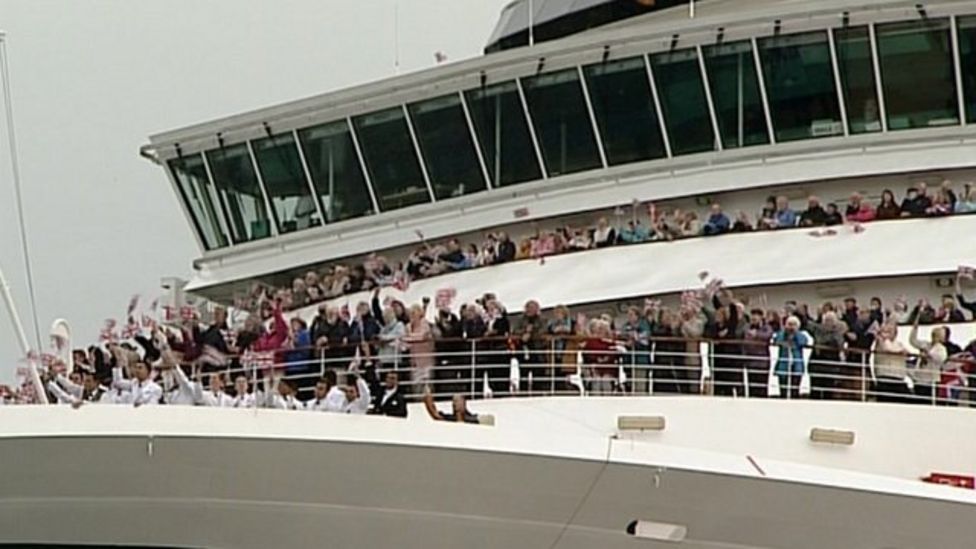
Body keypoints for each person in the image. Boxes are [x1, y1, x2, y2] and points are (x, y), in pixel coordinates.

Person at [908, 303, 948, 403]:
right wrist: (916, 325)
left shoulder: (941, 348)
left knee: (929, 403)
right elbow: (913, 340)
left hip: (931, 381)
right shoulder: (926, 344)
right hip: (920, 379)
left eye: (937, 335)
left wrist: (927, 353)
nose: (935, 337)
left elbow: (940, 357)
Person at [771, 316, 811, 398]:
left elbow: (803, 342)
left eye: (794, 325)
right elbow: (777, 340)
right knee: (783, 388)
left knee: (795, 388)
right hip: (783, 365)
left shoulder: (802, 335)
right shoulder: (781, 334)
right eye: (789, 324)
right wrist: (786, 333)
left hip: (797, 365)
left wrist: (795, 334)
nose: (791, 327)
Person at [871, 323, 912, 403]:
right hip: (885, 378)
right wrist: (900, 352)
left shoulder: (899, 344)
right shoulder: (881, 341)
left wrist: (903, 352)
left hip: (899, 379)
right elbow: (888, 349)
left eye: (889, 331)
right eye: (884, 331)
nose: (886, 334)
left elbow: (908, 354)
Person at [402, 303, 435, 394]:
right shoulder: (408, 327)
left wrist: (408, 338)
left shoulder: (424, 323)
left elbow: (422, 337)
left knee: (427, 387)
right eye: (410, 313)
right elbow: (404, 343)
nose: (411, 315)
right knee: (415, 387)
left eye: (414, 313)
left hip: (426, 361)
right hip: (414, 362)